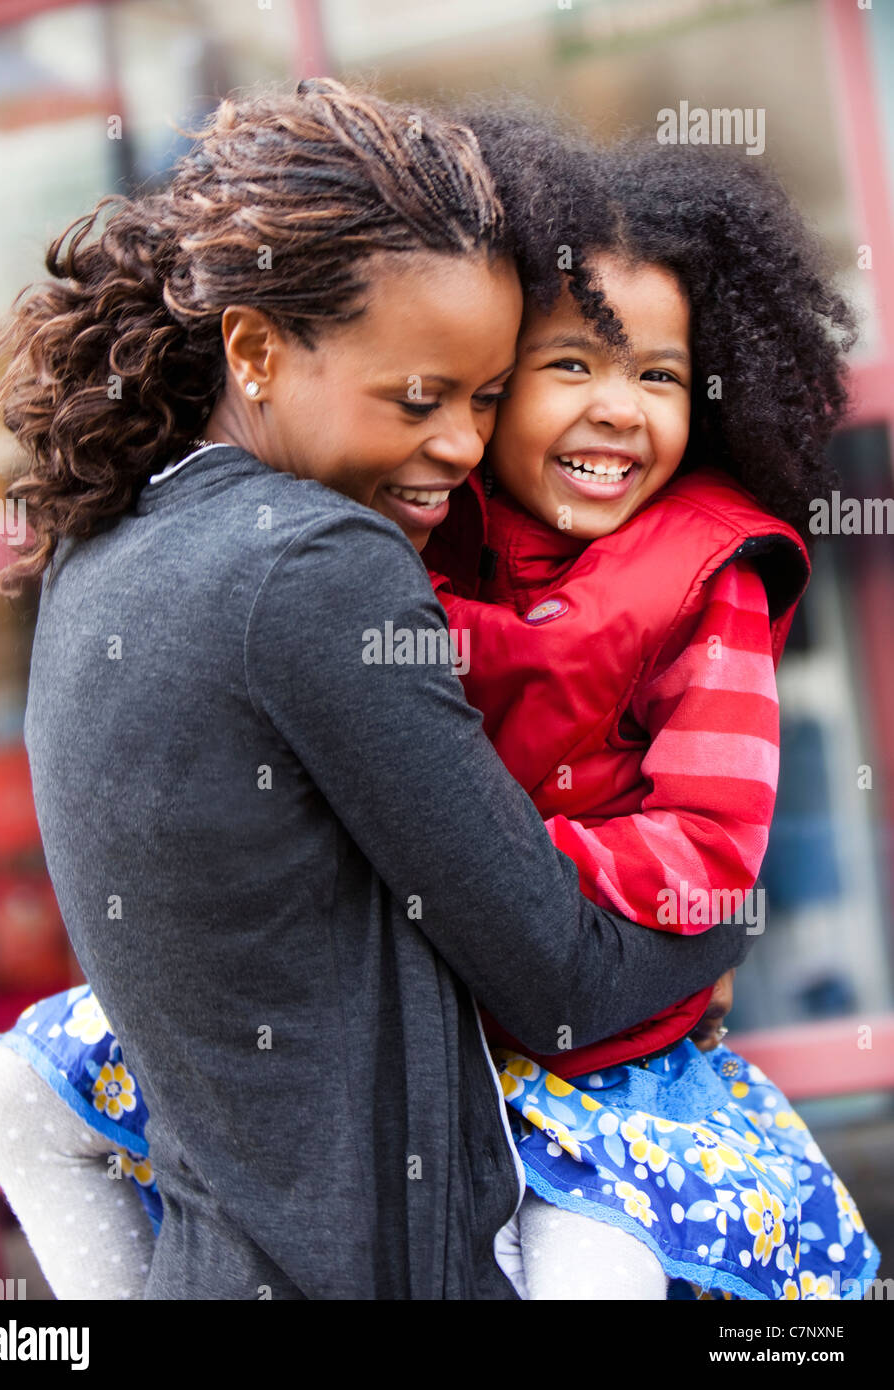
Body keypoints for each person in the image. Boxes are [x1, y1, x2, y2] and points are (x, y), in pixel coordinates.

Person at [0, 80, 751, 1301]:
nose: (457, 443)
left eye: (486, 396)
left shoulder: (108, 545)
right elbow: (554, 980)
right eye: (416, 397)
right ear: (258, 351)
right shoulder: (315, 564)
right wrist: (720, 927)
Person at [420, 110, 880, 1300]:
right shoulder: (423, 535)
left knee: (590, 1278)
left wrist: (512, 860)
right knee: (31, 1089)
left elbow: (706, 849)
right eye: (570, 362)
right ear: (487, 376)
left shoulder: (705, 580)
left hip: (617, 1068)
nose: (619, 408)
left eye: (659, 375)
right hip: (434, 1049)